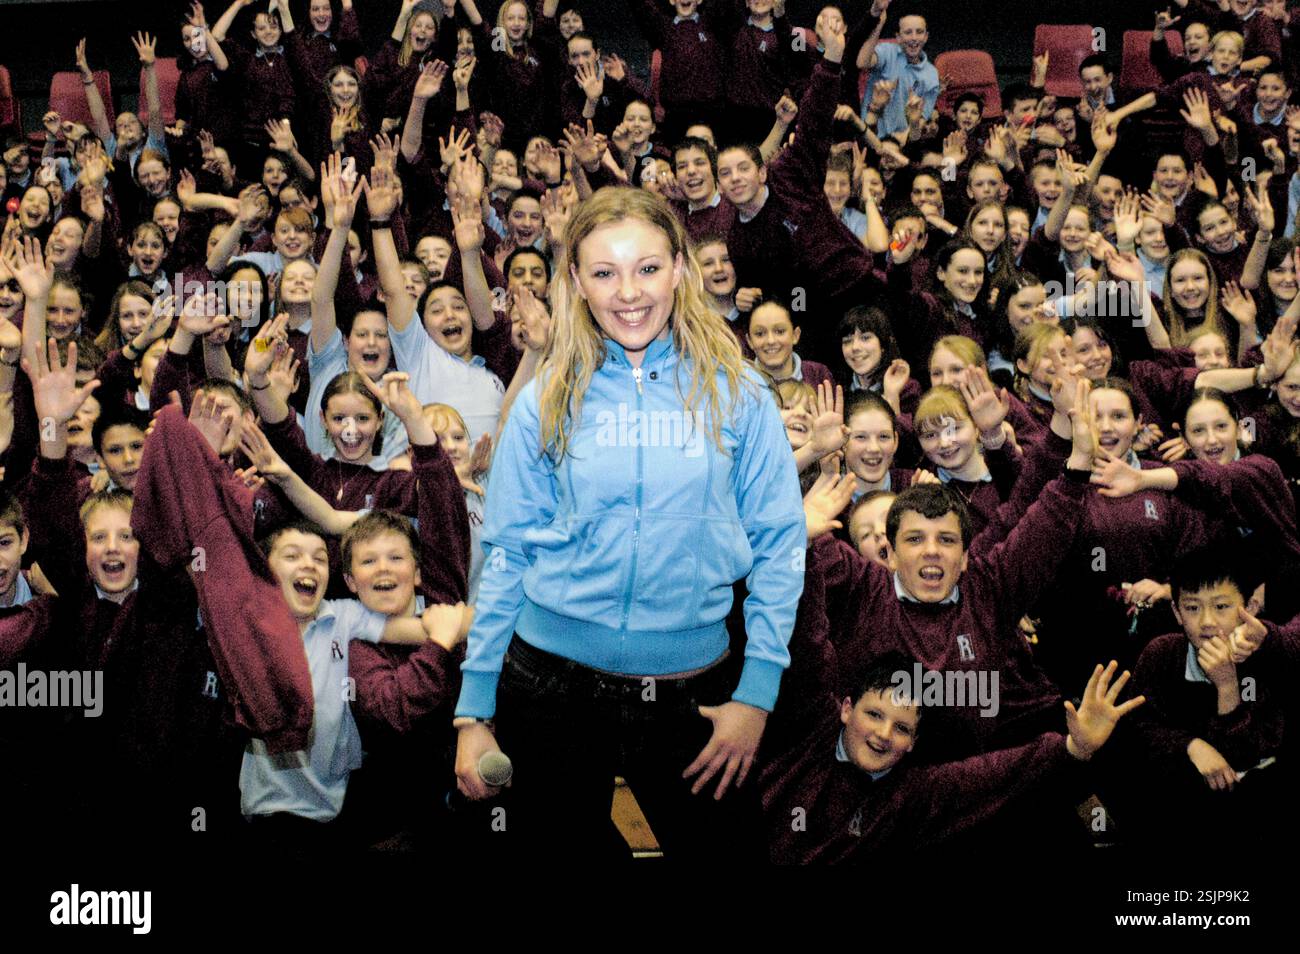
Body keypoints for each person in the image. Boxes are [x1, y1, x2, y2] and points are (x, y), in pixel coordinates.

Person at [452, 187, 805, 860]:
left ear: (680, 267)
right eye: (605, 273)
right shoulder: (542, 401)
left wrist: (756, 695)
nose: (629, 293)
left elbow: (781, 548)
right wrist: (474, 711)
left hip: (693, 695)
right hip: (548, 688)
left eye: (646, 268)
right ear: (578, 283)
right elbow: (506, 557)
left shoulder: (741, 393)